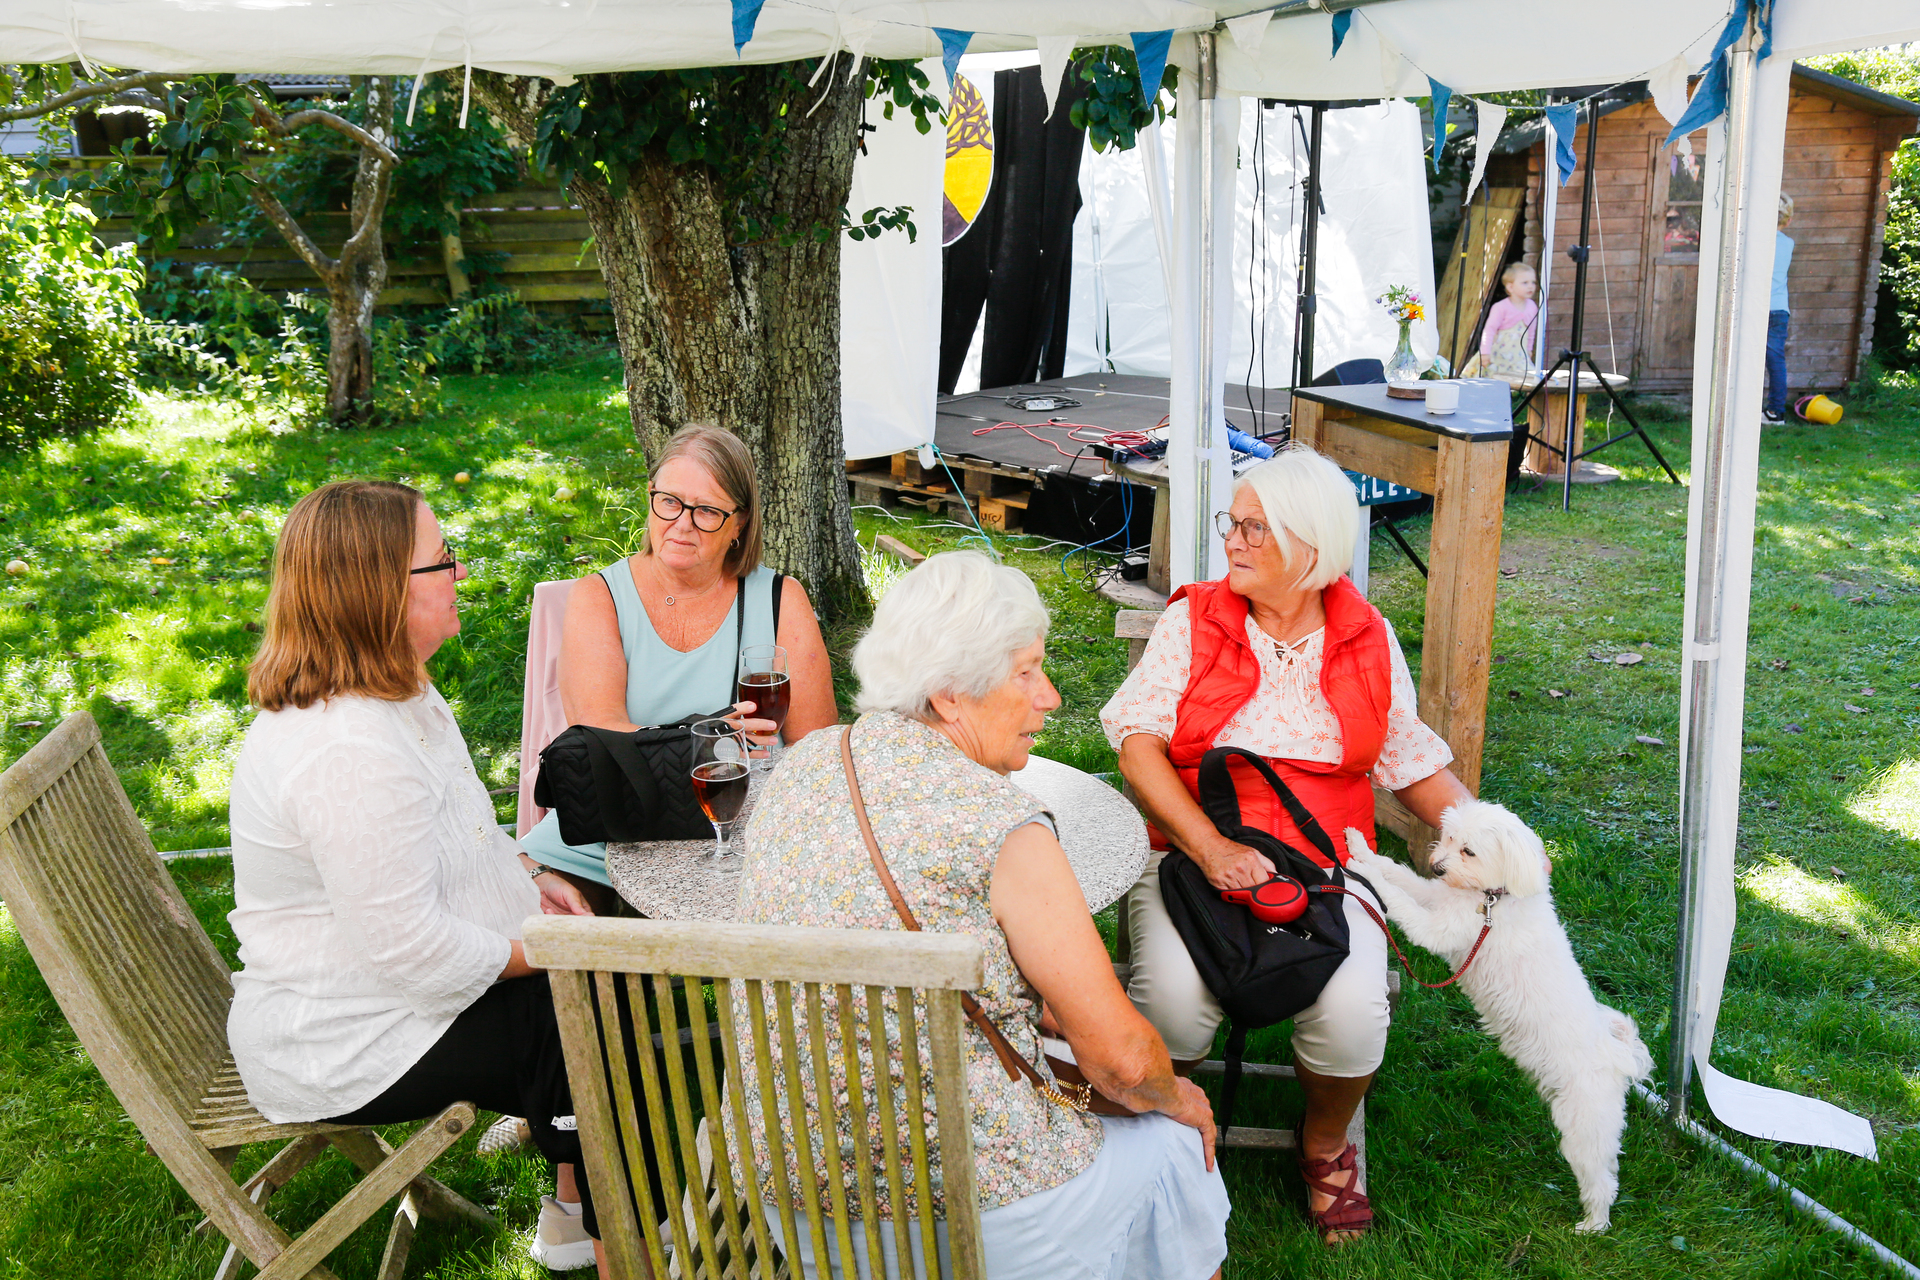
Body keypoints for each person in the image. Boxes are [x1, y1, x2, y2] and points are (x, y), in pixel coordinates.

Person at [735, 551, 1230, 1280]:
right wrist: (1176, 1094)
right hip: (967, 1215)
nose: (1051, 696)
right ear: (948, 697)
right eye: (1025, 671)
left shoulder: (803, 766)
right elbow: (1122, 1059)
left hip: (798, 1199)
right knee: (1174, 1149)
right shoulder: (1002, 827)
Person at [225, 480, 630, 1275]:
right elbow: (413, 954)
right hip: (343, 1038)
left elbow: (457, 838)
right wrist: (547, 948)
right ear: (381, 593)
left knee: (588, 978)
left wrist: (529, 881)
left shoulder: (393, 688)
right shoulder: (347, 749)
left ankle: (585, 1206)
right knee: (576, 1012)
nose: (460, 574)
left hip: (374, 993)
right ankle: (623, 1232)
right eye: (442, 561)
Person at [1101, 443, 1480, 1246]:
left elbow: (1407, 756)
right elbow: (1138, 745)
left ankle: (1322, 1144)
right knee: (1171, 1004)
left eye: (1254, 529)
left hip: (1329, 867)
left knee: (1351, 1017)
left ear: (1312, 545)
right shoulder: (1194, 617)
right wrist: (1206, 846)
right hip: (1192, 858)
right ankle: (1165, 1130)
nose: (1232, 542)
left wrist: (1491, 842)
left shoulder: (1366, 636)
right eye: (1231, 524)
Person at [519, 423, 837, 906]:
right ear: (651, 497)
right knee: (556, 923)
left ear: (739, 524)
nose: (682, 523)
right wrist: (710, 735)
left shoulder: (779, 599)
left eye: (707, 510)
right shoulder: (598, 596)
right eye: (669, 501)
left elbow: (816, 749)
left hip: (745, 823)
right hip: (617, 829)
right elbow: (602, 737)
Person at [1764, 192, 1795, 426]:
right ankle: (1775, 412)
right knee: (1776, 361)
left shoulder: (1758, 241)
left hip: (1759, 308)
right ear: (1788, 220)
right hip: (1780, 310)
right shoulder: (1788, 243)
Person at [1481, 261, 1539, 382]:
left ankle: (1520, 398)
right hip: (1499, 355)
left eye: (1533, 282)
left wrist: (1529, 349)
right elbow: (1489, 330)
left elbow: (1531, 331)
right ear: (1510, 287)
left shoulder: (1532, 307)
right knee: (1496, 380)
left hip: (1519, 355)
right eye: (1525, 283)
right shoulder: (1500, 307)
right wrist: (1485, 352)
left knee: (1525, 379)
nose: (1530, 286)